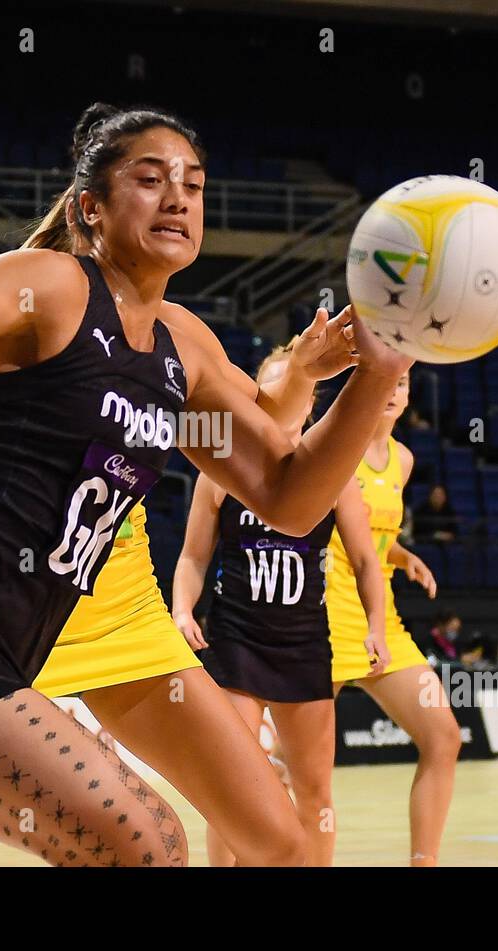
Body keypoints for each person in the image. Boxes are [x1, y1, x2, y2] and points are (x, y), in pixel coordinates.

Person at [0, 102, 410, 868]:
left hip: (3, 655)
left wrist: (377, 374)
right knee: (146, 844)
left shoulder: (184, 345)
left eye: (193, 184)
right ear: (91, 207)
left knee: (276, 842)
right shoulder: (51, 285)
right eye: (150, 181)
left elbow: (288, 495)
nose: (178, 199)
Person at [171, 347, 388, 867]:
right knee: (233, 789)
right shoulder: (219, 472)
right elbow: (192, 557)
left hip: (304, 645)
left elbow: (364, 560)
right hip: (237, 642)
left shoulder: (333, 474)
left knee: (315, 796)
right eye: (268, 391)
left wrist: (376, 626)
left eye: (294, 387)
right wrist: (182, 610)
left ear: (310, 398)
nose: (279, 400)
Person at [326, 367, 460, 867]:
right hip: (324, 620)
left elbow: (372, 534)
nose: (392, 390)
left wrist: (402, 557)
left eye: (401, 384)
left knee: (443, 737)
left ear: (408, 398)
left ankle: (424, 862)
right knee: (295, 765)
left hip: (382, 626)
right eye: (384, 381)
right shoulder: (336, 444)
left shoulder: (402, 460)